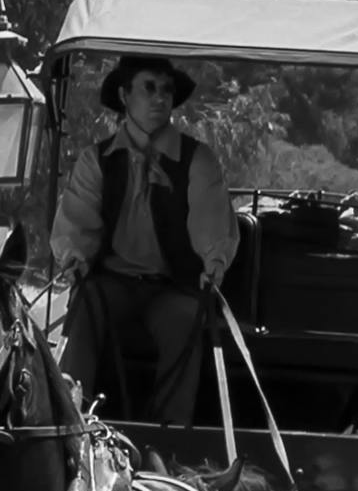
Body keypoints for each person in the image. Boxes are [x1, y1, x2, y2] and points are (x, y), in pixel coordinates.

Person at [50, 54, 239, 424]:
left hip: (172, 287)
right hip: (112, 283)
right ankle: (70, 420)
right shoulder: (97, 160)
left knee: (186, 318)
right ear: (124, 94)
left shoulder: (197, 160)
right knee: (85, 301)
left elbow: (210, 219)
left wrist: (213, 262)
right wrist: (75, 258)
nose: (160, 98)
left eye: (166, 90)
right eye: (148, 88)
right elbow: (78, 220)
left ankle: (169, 433)